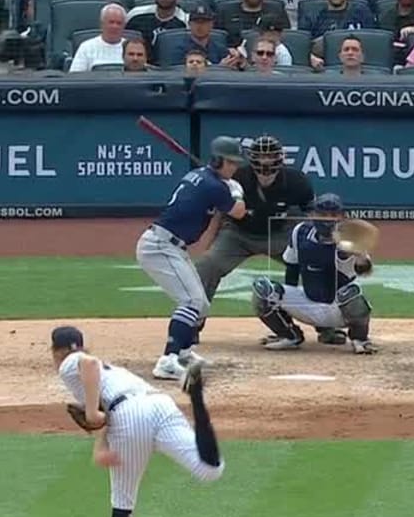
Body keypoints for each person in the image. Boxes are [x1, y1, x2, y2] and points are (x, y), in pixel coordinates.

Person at [48, 324, 225, 517]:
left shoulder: (69, 362)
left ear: (57, 350)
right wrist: (99, 443)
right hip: (159, 404)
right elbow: (109, 404)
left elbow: (89, 364)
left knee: (122, 500)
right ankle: (197, 398)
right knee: (210, 470)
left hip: (129, 418)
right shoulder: (116, 373)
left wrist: (92, 412)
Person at [135, 137, 248, 382]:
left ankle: (184, 352)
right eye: (231, 162)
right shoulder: (213, 185)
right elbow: (238, 212)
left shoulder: (205, 177)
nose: (235, 167)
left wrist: (228, 187)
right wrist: (236, 192)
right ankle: (168, 360)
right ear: (218, 160)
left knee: (201, 304)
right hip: (160, 245)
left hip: (171, 245)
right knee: (191, 301)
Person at [192, 135, 329, 337]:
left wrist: (318, 247)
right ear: (252, 160)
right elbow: (220, 214)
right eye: (261, 159)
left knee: (317, 265)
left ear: (279, 159)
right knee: (207, 265)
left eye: (270, 158)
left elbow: (312, 216)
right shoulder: (236, 179)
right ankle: (193, 323)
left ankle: (326, 326)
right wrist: (206, 246)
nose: (265, 165)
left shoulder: (297, 181)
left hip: (280, 234)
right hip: (238, 234)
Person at [250, 193, 376, 354]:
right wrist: (289, 304)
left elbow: (363, 269)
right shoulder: (300, 232)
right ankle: (289, 335)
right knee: (263, 289)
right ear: (312, 214)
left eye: (333, 214)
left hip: (338, 309)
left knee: (352, 293)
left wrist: (359, 255)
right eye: (322, 214)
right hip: (308, 302)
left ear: (342, 216)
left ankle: (360, 340)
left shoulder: (349, 241)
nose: (327, 219)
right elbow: (292, 268)